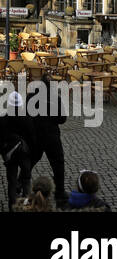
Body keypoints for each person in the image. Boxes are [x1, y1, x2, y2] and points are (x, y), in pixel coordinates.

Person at [27, 77, 68, 207]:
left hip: (35, 135)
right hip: (51, 136)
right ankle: (60, 193)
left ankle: (19, 183)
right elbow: (62, 118)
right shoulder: (55, 98)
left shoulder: (31, 96)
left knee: (31, 159)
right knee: (58, 163)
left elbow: (26, 114)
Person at [2, 90, 34, 210]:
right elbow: (32, 137)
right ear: (20, 104)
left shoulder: (3, 118)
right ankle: (26, 205)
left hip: (10, 153)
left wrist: (3, 152)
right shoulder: (26, 118)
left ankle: (12, 206)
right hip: (24, 153)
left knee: (12, 181)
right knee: (26, 179)